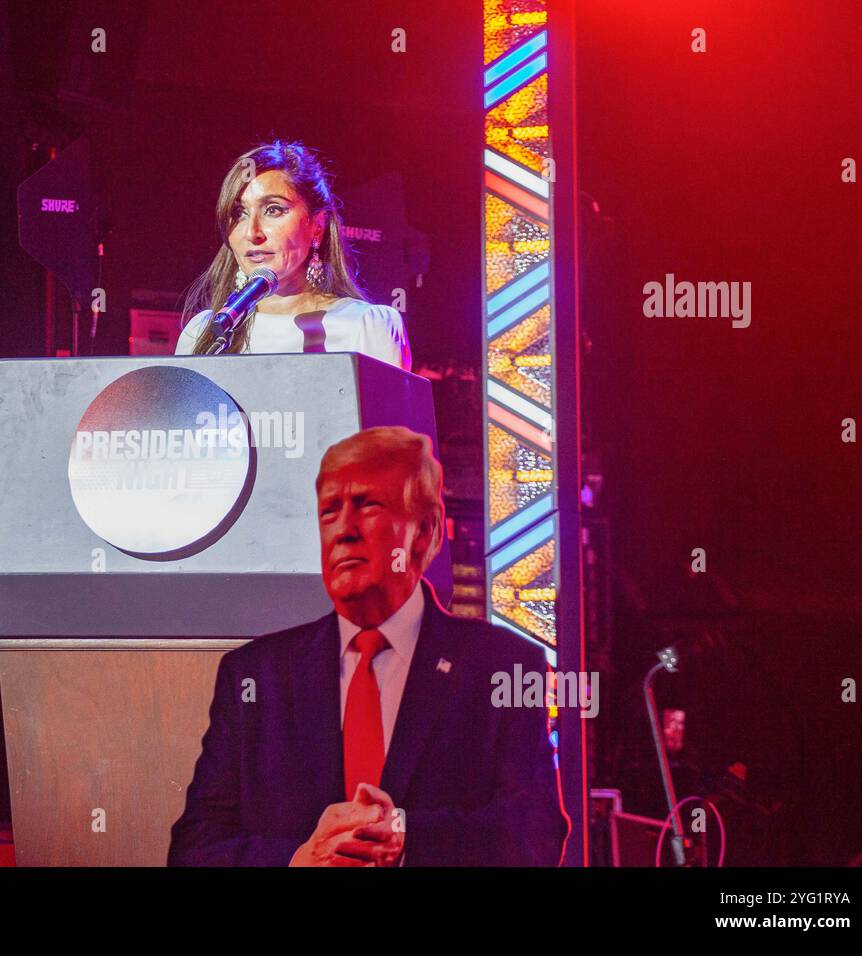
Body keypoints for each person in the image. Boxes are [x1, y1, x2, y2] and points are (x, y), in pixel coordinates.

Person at [168, 426, 568, 866]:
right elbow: (195, 851)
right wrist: (300, 860)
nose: (344, 531)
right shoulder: (254, 676)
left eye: (367, 505)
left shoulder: (504, 666)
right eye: (329, 512)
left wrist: (399, 834)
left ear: (424, 530)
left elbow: (535, 832)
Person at [174, 140, 412, 371]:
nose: (252, 232)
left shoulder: (365, 326)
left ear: (317, 224)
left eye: (273, 210)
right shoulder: (203, 333)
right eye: (239, 213)